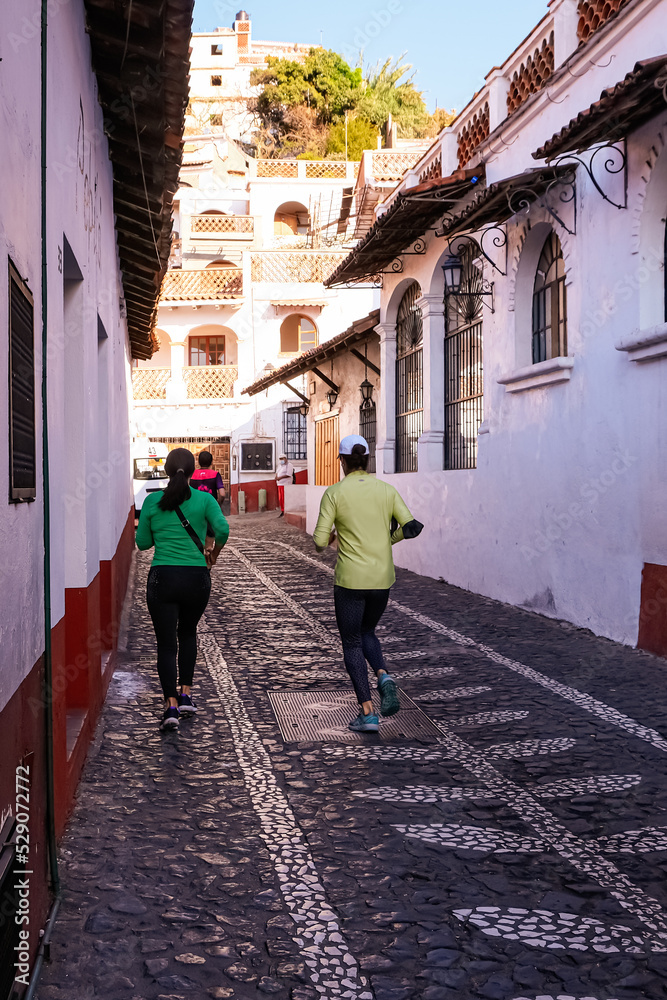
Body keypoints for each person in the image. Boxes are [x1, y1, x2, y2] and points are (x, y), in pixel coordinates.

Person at [313, 435, 423, 733]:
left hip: (350, 580)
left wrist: (334, 534)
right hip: (382, 579)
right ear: (367, 460)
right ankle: (384, 675)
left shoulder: (334, 493)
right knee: (368, 632)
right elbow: (411, 527)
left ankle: (367, 713)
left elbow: (320, 542)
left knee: (351, 642)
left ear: (342, 461)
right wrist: (388, 539)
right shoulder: (387, 490)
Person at [136, 447, 229, 731]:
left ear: (166, 470)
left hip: (162, 578)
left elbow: (142, 543)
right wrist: (213, 554)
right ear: (192, 472)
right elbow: (222, 529)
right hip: (196, 579)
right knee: (188, 633)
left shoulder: (153, 501)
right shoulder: (205, 499)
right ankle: (186, 693)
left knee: (166, 644)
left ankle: (171, 707)